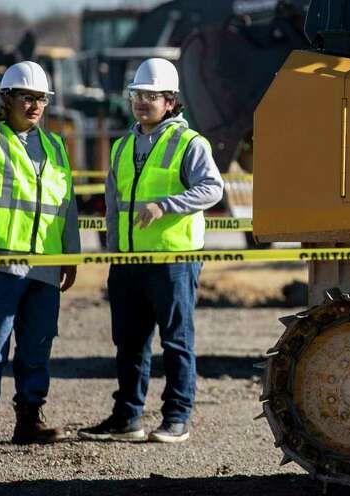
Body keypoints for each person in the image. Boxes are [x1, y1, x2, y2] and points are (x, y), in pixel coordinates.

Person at [79, 58, 223, 444]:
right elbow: (113, 202)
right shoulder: (124, 145)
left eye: (152, 96)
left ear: (171, 101)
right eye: (137, 95)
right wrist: (114, 250)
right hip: (129, 262)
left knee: (176, 341)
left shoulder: (190, 143)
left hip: (173, 261)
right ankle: (128, 418)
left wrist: (166, 205)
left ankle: (177, 418)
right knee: (128, 344)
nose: (142, 102)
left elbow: (213, 188)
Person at [0, 60, 79, 449]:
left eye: (41, 98)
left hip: (45, 263)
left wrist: (70, 255)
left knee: (38, 344)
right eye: (27, 97)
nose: (36, 105)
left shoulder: (55, 145)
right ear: (8, 99)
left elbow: (67, 205)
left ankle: (29, 418)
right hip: (1, 260)